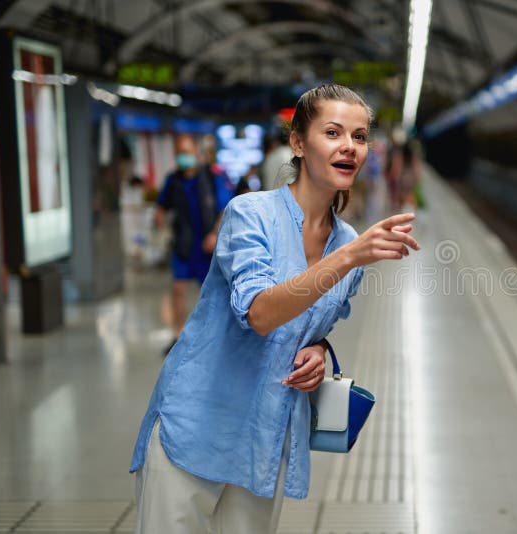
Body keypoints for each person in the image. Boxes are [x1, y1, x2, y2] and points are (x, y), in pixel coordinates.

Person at [130, 84, 420, 533]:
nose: (349, 146)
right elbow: (261, 313)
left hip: (265, 434)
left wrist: (319, 349)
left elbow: (311, 323)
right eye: (333, 132)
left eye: (359, 137)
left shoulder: (348, 241)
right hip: (198, 424)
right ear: (298, 143)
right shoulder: (250, 216)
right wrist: (348, 257)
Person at [154, 134, 233, 348]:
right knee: (177, 290)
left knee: (210, 292)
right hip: (184, 244)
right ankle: (177, 335)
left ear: (196, 153)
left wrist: (215, 234)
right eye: (179, 154)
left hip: (206, 246)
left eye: (186, 153)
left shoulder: (210, 177)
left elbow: (226, 208)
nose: (183, 158)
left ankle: (212, 337)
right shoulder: (174, 180)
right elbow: (161, 206)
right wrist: (159, 220)